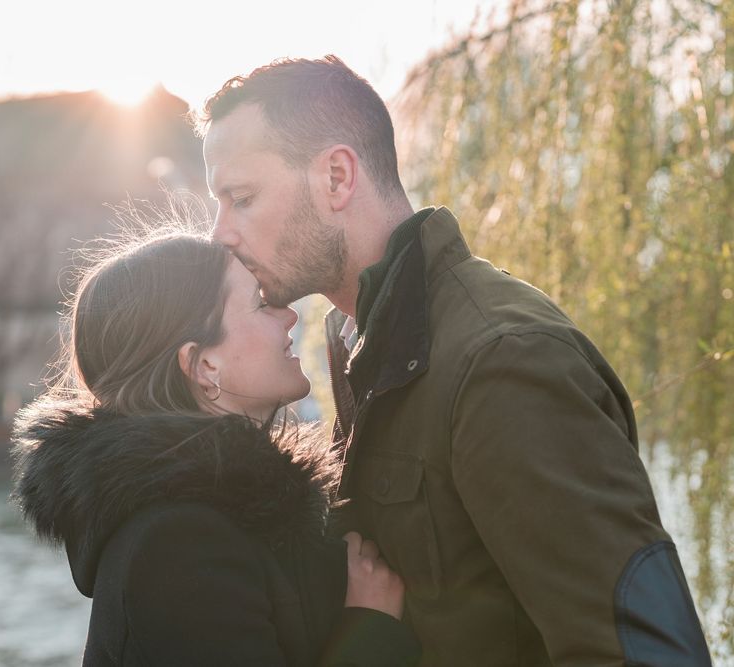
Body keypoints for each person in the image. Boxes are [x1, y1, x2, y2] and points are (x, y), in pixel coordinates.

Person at [198, 55, 712, 666]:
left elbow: (642, 655)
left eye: (241, 197)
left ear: (336, 177)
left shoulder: (503, 362)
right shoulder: (359, 343)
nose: (220, 233)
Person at [11, 230, 421, 666]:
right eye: (261, 303)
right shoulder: (177, 550)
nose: (289, 317)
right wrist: (370, 626)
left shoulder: (214, 517)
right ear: (204, 365)